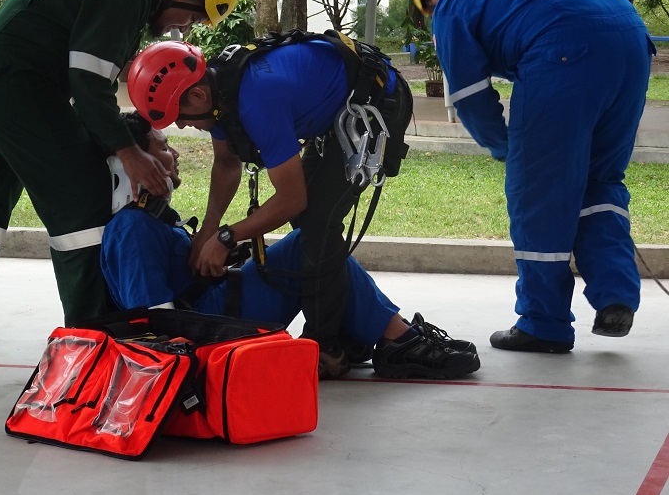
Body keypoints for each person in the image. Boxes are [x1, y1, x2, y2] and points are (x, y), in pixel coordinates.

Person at [0, 0, 241, 352]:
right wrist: (131, 154)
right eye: (190, 15)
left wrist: (137, 139)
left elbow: (89, 91)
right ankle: (92, 339)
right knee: (82, 203)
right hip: (17, 85)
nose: (184, 28)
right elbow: (88, 85)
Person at [403, 0, 656, 353]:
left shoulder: (453, 0)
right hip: (633, 45)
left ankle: (544, 323)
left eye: (425, 8)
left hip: (563, 51)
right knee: (601, 180)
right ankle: (615, 295)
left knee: (538, 193)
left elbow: (469, 96)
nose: (432, 15)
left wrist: (507, 149)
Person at [101, 112, 481, 379]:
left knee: (312, 243)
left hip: (215, 308)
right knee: (307, 244)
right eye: (164, 146)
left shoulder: (144, 223)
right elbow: (151, 325)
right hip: (210, 327)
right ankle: (400, 341)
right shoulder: (132, 227)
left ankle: (370, 334)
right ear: (138, 164)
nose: (176, 154)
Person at [126, 33, 417, 378]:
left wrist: (226, 238)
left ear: (198, 95)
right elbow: (226, 163)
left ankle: (327, 345)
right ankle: (347, 330)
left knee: (317, 225)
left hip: (376, 100)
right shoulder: (222, 91)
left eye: (180, 115)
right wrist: (207, 228)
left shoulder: (256, 100)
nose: (181, 125)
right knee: (311, 232)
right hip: (335, 104)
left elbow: (292, 200)